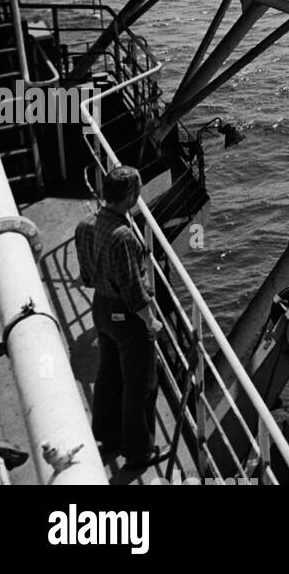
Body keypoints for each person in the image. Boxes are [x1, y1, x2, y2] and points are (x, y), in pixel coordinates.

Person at [74, 165, 162, 470]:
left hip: (101, 308)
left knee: (108, 374)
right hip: (126, 316)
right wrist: (150, 321)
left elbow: (86, 276)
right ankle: (139, 452)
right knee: (141, 385)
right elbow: (133, 291)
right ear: (129, 196)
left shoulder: (85, 224)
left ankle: (108, 437)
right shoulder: (123, 236)